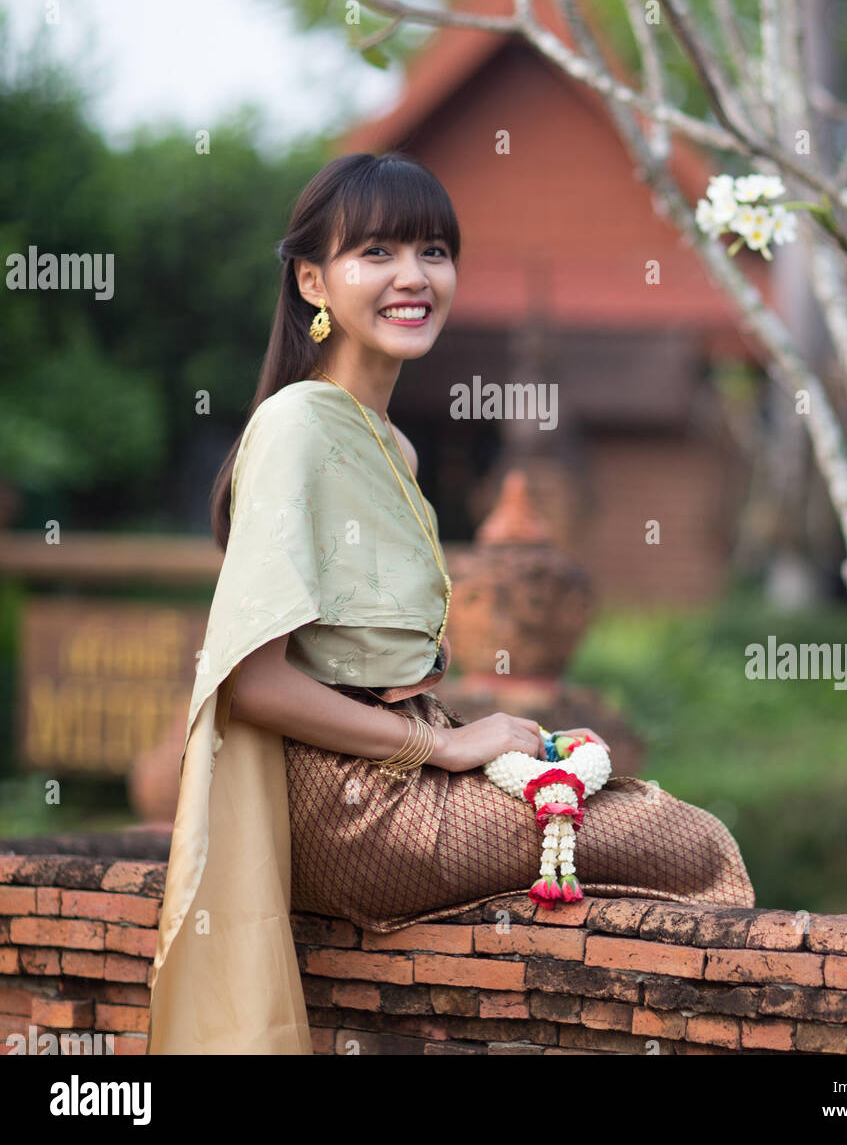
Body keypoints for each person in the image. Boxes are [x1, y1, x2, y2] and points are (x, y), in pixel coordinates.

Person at [146, 151, 755, 1055]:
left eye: (434, 250)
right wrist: (447, 744)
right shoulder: (297, 425)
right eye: (378, 252)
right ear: (312, 278)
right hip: (345, 807)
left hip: (399, 776)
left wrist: (486, 736)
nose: (412, 277)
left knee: (611, 797)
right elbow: (251, 685)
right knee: (684, 840)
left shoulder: (390, 445)